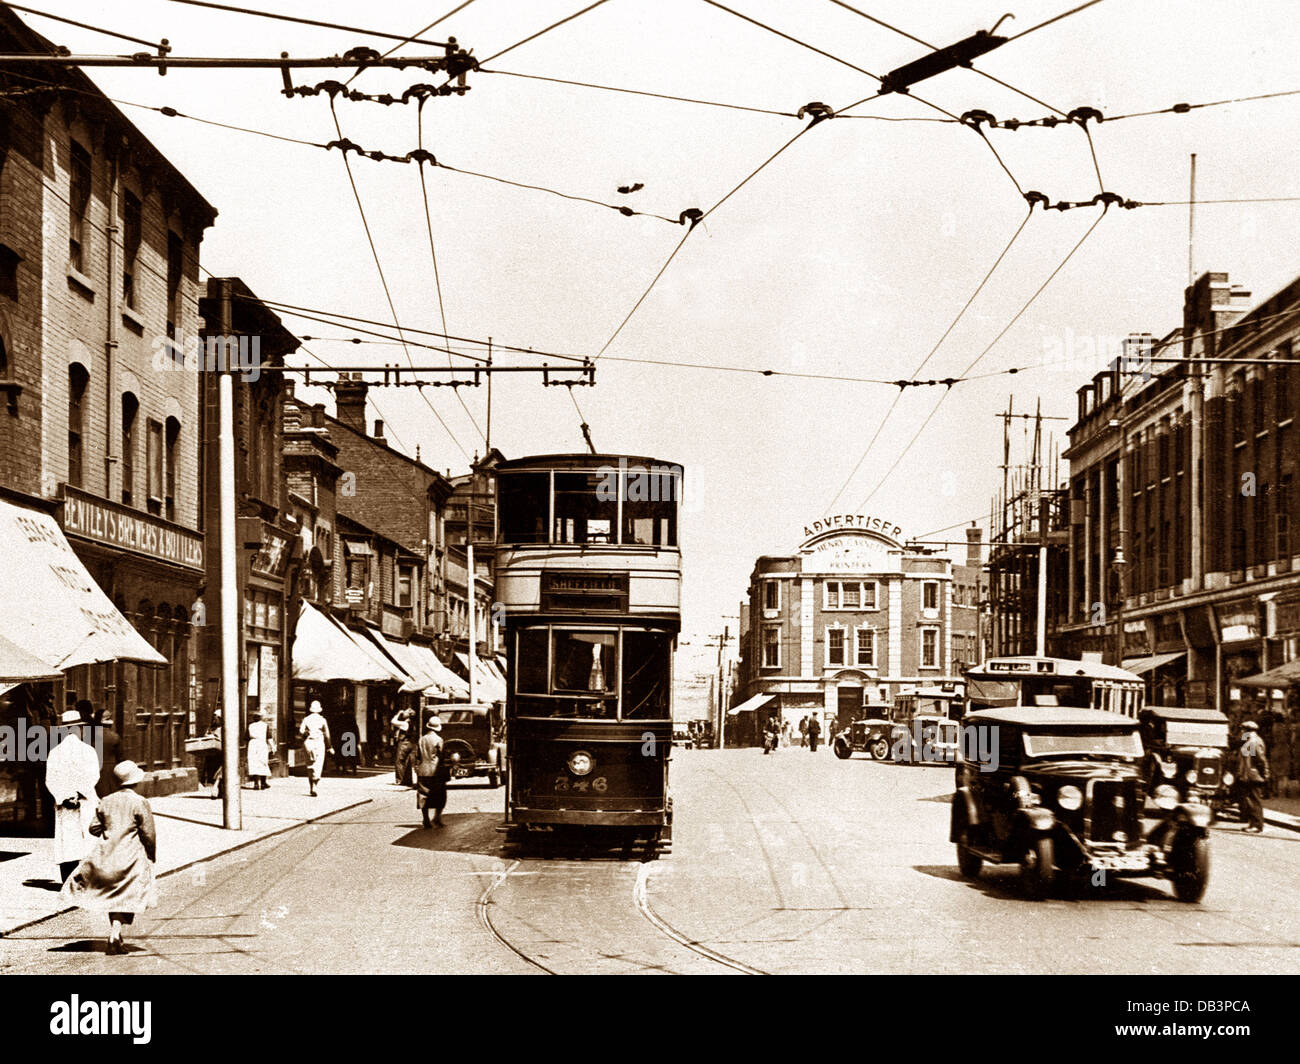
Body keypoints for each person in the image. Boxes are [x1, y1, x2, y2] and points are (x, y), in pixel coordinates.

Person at [61, 760, 157, 956]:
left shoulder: (106, 800)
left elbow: (93, 828)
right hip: (130, 858)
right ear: (135, 781)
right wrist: (151, 854)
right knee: (128, 895)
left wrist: (110, 831)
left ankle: (117, 935)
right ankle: (114, 935)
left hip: (106, 857)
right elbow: (148, 833)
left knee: (115, 895)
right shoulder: (140, 802)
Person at [45, 707, 100, 883]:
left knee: (68, 842)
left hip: (65, 805)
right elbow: (93, 775)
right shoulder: (88, 751)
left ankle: (68, 882)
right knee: (87, 840)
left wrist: (65, 796)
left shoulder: (55, 752)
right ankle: (88, 880)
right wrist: (78, 793)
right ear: (79, 729)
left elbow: (50, 779)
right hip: (84, 802)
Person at [415, 715, 447, 829]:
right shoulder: (439, 740)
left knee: (423, 795)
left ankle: (426, 819)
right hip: (435, 770)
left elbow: (417, 755)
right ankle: (437, 818)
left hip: (423, 770)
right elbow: (442, 755)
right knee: (440, 795)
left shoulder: (421, 739)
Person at [1238, 720, 1270, 833]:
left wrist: (1265, 774)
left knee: (1254, 800)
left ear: (1248, 731)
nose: (1241, 732)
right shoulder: (1249, 742)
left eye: (1243, 730)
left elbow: (1260, 760)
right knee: (1249, 800)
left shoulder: (1253, 742)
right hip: (1249, 775)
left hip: (1254, 776)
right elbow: (1248, 759)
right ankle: (1252, 823)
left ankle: (1257, 825)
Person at [299, 701, 333, 797]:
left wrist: (307, 733)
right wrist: (329, 746)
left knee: (310, 766)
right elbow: (327, 735)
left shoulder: (306, 719)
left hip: (308, 743)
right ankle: (315, 786)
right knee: (318, 765)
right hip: (318, 743)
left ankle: (311, 787)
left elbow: (301, 731)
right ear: (319, 710)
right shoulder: (322, 720)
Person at [90, 702, 121, 801]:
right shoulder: (114, 737)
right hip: (110, 773)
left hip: (93, 771)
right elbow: (121, 757)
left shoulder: (89, 736)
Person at [199, 711, 223, 799]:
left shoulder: (223, 729)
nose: (214, 719)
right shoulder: (211, 728)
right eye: (214, 717)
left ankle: (215, 790)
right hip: (213, 754)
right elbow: (205, 736)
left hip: (220, 753)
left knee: (219, 773)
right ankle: (218, 790)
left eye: (216, 717)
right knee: (214, 773)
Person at [246, 710, 271, 790]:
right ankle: (263, 783)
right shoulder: (265, 725)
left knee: (254, 762)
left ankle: (256, 783)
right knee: (263, 761)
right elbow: (269, 737)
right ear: (261, 718)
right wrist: (273, 746)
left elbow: (246, 737)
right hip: (261, 744)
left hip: (252, 744)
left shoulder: (250, 725)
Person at [392, 707, 415, 786]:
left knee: (399, 761)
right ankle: (407, 780)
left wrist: (398, 714)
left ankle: (400, 780)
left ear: (408, 715)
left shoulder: (405, 723)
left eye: (405, 712)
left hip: (403, 743)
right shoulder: (411, 723)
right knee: (407, 762)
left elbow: (393, 721)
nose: (403, 713)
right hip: (409, 743)